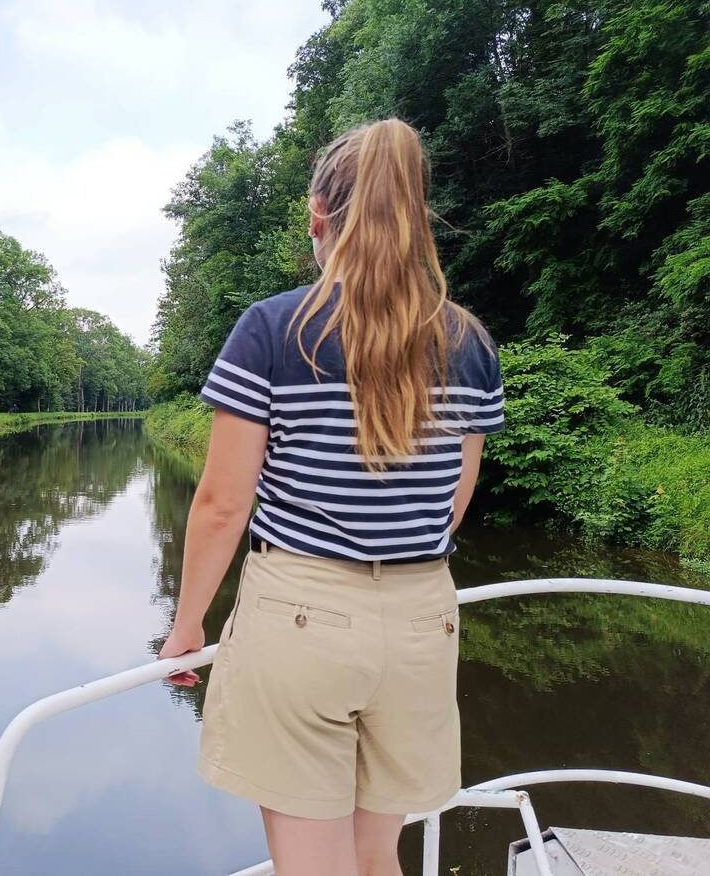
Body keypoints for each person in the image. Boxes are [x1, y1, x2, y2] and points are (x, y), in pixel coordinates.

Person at [158, 118, 504, 876]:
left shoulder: (273, 330)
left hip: (300, 617)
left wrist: (186, 628)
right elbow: (454, 497)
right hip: (422, 619)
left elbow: (222, 503)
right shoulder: (469, 342)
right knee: (377, 857)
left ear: (318, 217)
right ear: (416, 216)